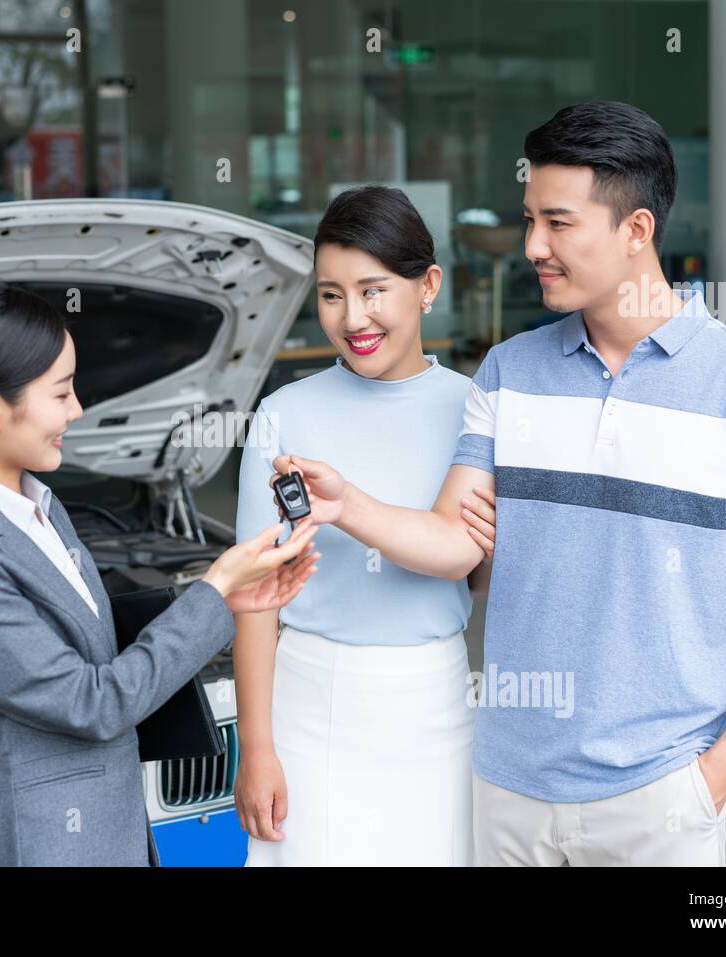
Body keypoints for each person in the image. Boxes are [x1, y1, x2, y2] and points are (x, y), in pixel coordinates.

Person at [270, 101, 726, 866]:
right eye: (529, 218)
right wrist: (351, 505)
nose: (533, 245)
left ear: (636, 230)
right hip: (508, 789)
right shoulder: (510, 372)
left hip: (659, 797)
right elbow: (452, 540)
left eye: (558, 222)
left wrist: (718, 771)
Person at [0, 279, 320, 866]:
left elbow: (86, 640)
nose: (78, 409)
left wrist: (228, 602)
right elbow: (90, 703)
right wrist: (211, 592)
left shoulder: (39, 504)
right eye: (60, 393)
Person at [233, 185, 496, 866]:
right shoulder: (282, 415)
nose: (354, 317)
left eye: (374, 290)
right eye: (331, 294)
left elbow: (473, 562)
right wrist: (256, 748)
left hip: (435, 699)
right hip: (311, 703)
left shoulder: (475, 410)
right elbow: (253, 603)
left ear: (427, 285)